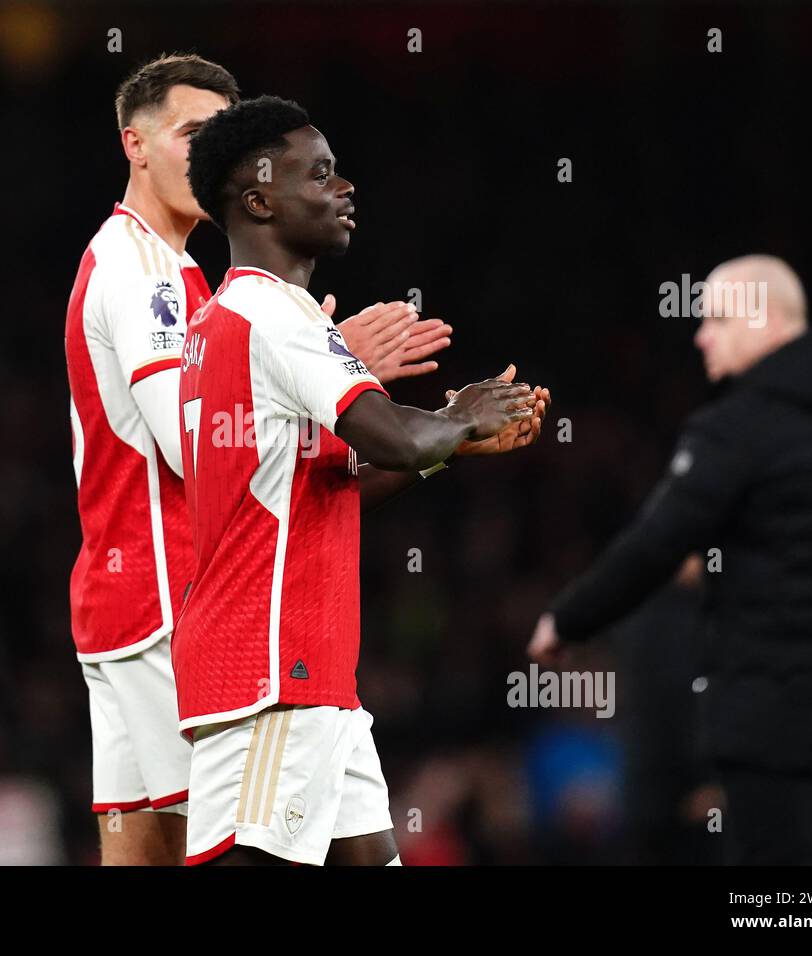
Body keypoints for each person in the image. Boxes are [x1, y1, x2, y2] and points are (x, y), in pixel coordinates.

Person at [65, 56, 453, 865]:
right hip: (179, 597)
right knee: (203, 845)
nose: (207, 150)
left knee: (140, 848)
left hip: (127, 600)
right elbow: (194, 444)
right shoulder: (149, 276)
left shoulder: (178, 277)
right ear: (134, 144)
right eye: (189, 133)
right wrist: (331, 363)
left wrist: (318, 367)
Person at [178, 95, 550, 865]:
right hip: (270, 677)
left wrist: (449, 441)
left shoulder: (220, 326)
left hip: (313, 680)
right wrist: (463, 414)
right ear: (258, 196)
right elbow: (391, 438)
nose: (343, 188)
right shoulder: (276, 318)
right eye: (319, 174)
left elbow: (334, 478)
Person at [530, 254, 812, 864]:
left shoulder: (739, 426)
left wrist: (569, 618)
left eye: (715, 319)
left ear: (761, 319)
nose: (701, 334)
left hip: (774, 709)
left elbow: (658, 542)